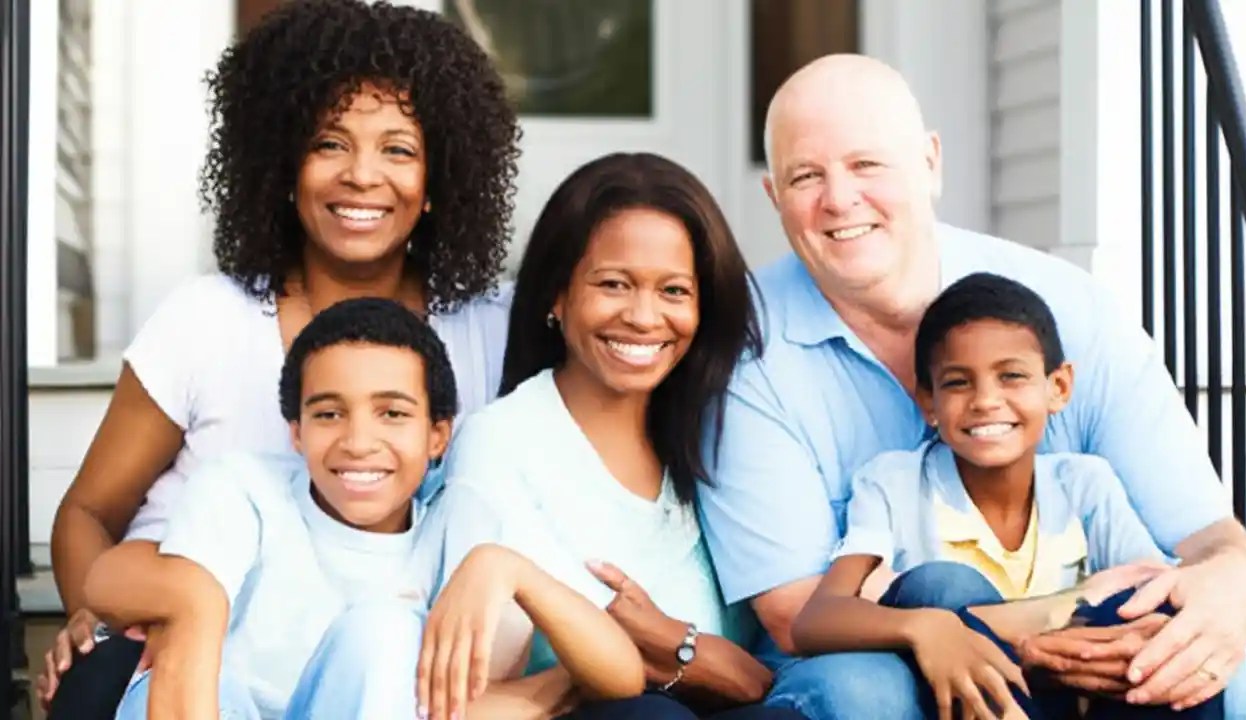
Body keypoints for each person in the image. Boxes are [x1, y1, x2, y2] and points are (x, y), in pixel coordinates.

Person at [697, 53, 1246, 718]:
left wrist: (1228, 593)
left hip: (1077, 662)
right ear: (774, 197)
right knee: (861, 691)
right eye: (806, 176)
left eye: (867, 164)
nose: (839, 198)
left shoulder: (1065, 310)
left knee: (1206, 669)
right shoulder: (743, 351)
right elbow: (799, 616)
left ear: (930, 162)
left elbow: (1210, 541)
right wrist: (1038, 626)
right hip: (874, 664)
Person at [39, 1, 520, 715]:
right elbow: (86, 509)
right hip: (191, 646)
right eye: (329, 143)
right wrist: (95, 612)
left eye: (398, 149)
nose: (362, 175)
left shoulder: (488, 326)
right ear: (281, 165)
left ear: (440, 178)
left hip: (385, 660)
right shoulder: (208, 319)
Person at [82, 297, 644, 719]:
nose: (357, 441)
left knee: (384, 632)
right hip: (213, 709)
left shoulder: (458, 517)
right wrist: (195, 601)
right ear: (296, 433)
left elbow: (620, 673)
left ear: (438, 436)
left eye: (393, 414)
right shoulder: (244, 489)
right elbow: (115, 591)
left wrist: (508, 568)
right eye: (329, 415)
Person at [429, 152, 808, 720]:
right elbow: (472, 684)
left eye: (674, 291)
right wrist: (690, 660)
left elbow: (753, 678)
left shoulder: (720, 432)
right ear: (557, 296)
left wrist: (672, 645)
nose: (643, 316)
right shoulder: (503, 444)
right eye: (613, 284)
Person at [791, 272, 1225, 719]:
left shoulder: (1083, 482)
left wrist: (1037, 644)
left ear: (1058, 388)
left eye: (1012, 376)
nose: (985, 401)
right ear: (928, 401)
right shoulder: (893, 484)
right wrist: (928, 626)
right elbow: (815, 621)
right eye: (958, 382)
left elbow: (1145, 589)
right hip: (964, 700)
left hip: (1077, 697)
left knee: (1152, 633)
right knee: (939, 585)